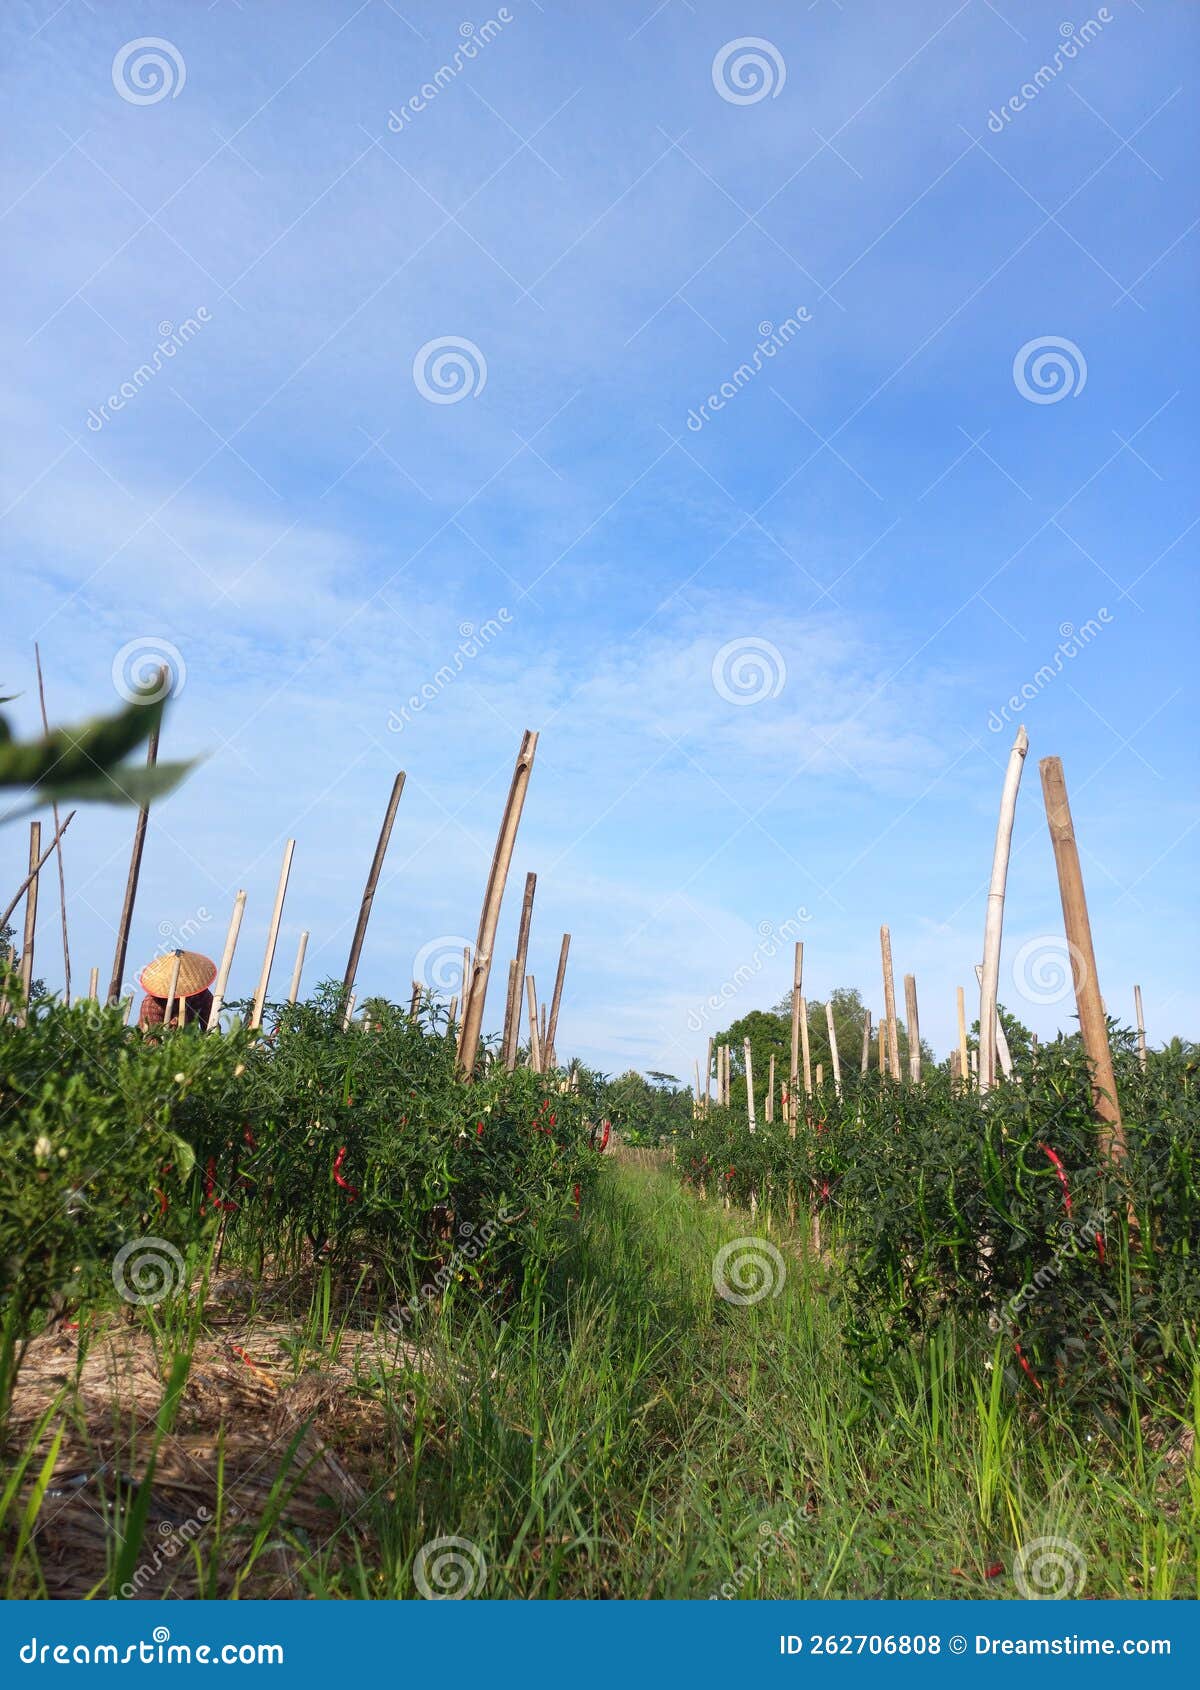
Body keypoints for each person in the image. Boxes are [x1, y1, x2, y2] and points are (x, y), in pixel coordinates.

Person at [137, 949, 217, 1031]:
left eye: (185, 976)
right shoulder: (152, 1004)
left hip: (190, 1039)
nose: (182, 982)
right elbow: (151, 1041)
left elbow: (212, 1029)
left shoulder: (202, 995)